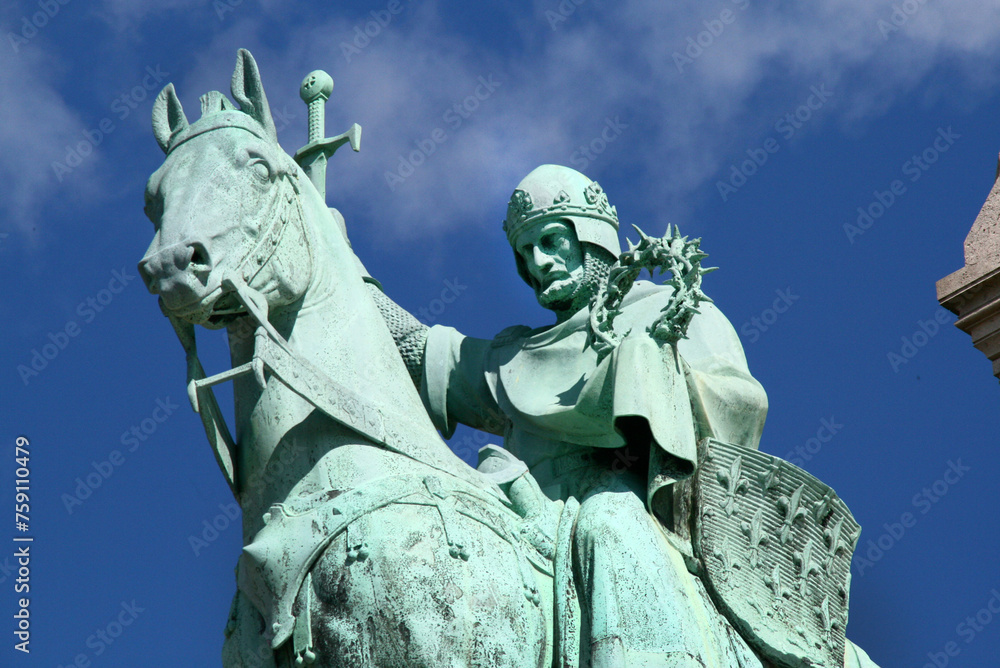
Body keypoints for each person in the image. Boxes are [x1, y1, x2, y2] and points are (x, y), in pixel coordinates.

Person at [366, 164, 770, 666]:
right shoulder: (514, 357)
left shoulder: (669, 310)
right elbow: (425, 350)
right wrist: (341, 269)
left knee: (609, 519)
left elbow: (742, 406)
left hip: (635, 510)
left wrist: (652, 366)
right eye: (524, 254)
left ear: (592, 239)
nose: (538, 263)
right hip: (525, 507)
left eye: (551, 241)